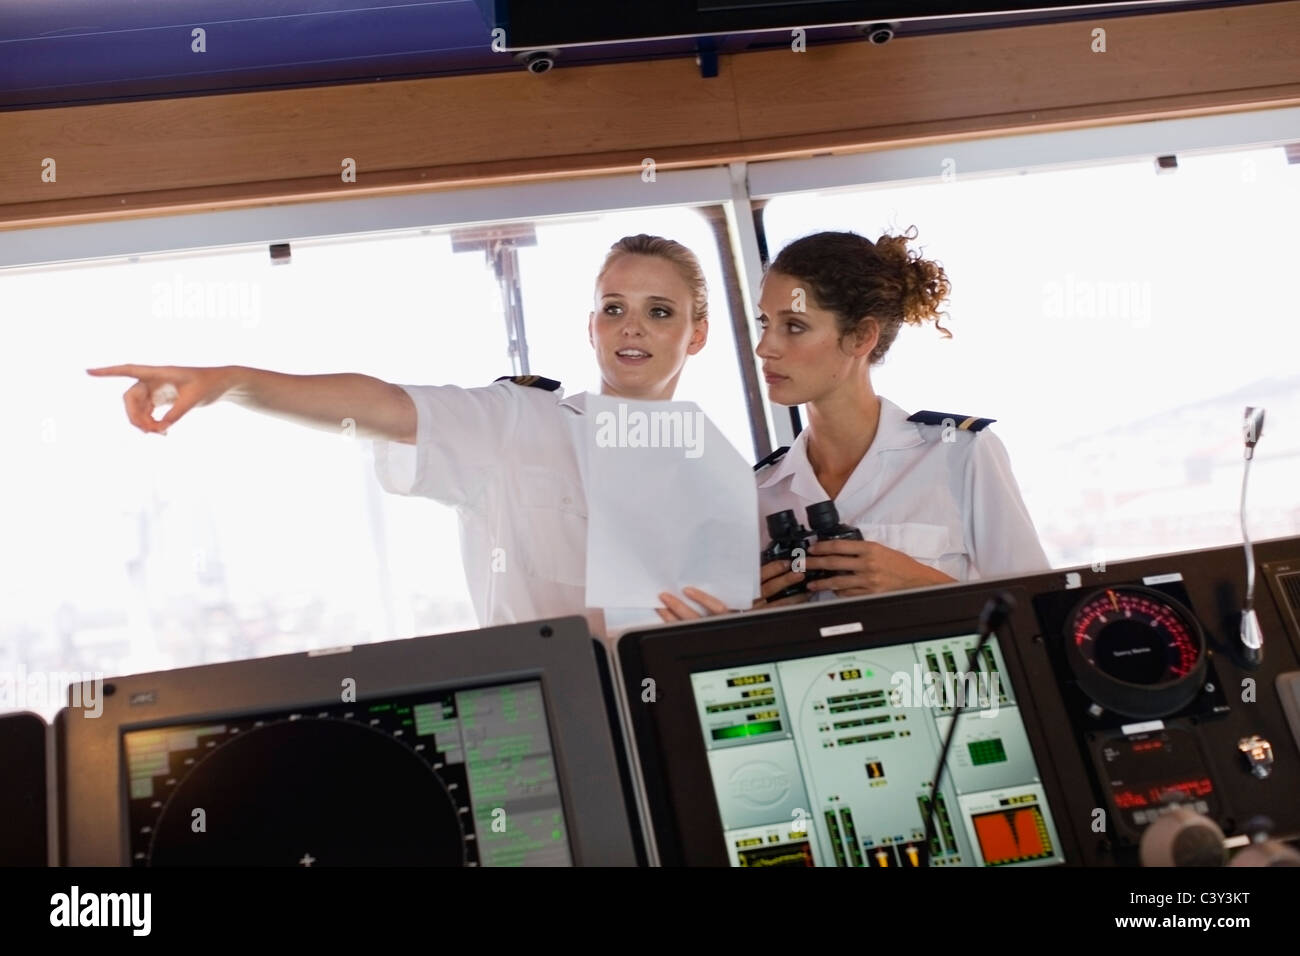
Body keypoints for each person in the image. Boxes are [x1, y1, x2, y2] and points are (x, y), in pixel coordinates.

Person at [88, 234, 709, 636]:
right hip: (560, 722)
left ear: (696, 334)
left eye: (659, 312)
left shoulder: (722, 482)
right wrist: (231, 381)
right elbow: (381, 404)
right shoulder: (520, 422)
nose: (631, 328)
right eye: (613, 308)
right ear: (592, 327)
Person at [657, 226, 1049, 622]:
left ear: (861, 337)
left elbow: (1039, 618)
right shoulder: (757, 495)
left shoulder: (960, 454)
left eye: (794, 326)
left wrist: (919, 584)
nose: (765, 348)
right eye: (765, 323)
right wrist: (746, 621)